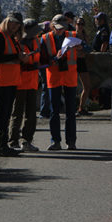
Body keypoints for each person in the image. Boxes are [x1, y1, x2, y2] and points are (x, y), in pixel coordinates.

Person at [40, 14, 79, 150]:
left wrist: (80, 47)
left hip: (70, 77)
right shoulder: (45, 39)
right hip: (54, 77)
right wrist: (55, 59)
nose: (60, 30)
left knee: (70, 112)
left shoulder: (73, 35)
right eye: (57, 28)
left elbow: (87, 49)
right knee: (54, 111)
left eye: (62, 28)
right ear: (52, 26)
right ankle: (55, 141)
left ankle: (71, 141)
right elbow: (42, 61)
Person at [0, 12, 25, 156]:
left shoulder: (11, 38)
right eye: (13, 22)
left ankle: (2, 145)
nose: (15, 26)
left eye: (18, 24)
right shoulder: (0, 35)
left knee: (5, 115)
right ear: (7, 21)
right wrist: (17, 56)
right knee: (1, 114)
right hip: (1, 80)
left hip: (10, 81)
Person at [9, 19, 41, 151]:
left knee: (31, 114)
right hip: (20, 82)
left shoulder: (36, 41)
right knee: (17, 112)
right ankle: (13, 141)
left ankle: (26, 140)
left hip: (32, 81)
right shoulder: (16, 43)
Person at [74, 17, 93, 116]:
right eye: (78, 24)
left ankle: (81, 107)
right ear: (75, 25)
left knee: (87, 85)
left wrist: (83, 48)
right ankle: (72, 107)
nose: (80, 26)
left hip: (82, 61)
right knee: (71, 86)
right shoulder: (72, 35)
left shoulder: (85, 36)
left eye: (82, 24)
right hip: (73, 61)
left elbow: (89, 48)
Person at [38, 21, 52, 118]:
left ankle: (45, 110)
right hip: (45, 66)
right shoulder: (46, 39)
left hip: (42, 66)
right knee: (46, 88)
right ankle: (44, 111)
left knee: (45, 88)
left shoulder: (40, 39)